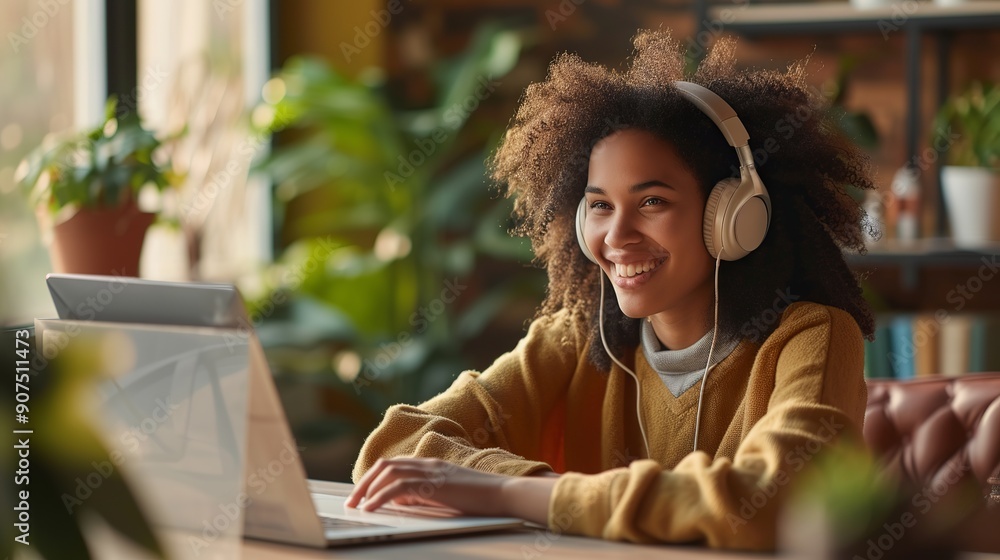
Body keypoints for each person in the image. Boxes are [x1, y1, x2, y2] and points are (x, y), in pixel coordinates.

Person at [346, 29, 877, 550]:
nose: (617, 237)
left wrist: (510, 491)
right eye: (600, 205)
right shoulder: (581, 333)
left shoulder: (813, 335)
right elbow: (395, 447)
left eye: (652, 202)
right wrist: (515, 487)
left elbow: (772, 503)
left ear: (734, 216)